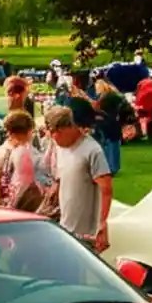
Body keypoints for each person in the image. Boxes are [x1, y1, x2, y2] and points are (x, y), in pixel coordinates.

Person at [44, 106, 113, 252]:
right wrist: (56, 185)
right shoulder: (61, 148)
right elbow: (63, 173)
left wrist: (102, 223)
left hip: (85, 233)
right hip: (66, 227)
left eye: (54, 133)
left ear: (66, 128)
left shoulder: (92, 150)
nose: (52, 137)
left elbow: (106, 188)